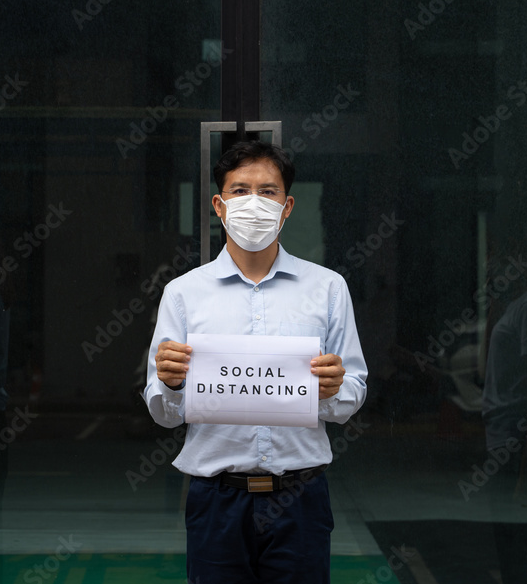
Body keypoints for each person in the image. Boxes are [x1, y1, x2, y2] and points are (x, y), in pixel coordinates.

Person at [143, 140, 368, 584]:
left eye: (268, 192)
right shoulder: (184, 293)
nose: (253, 202)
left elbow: (353, 392)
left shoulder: (327, 289)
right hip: (216, 501)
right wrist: (168, 384)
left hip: (300, 498)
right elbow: (163, 411)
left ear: (287, 207)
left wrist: (333, 388)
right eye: (240, 189)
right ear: (219, 204)